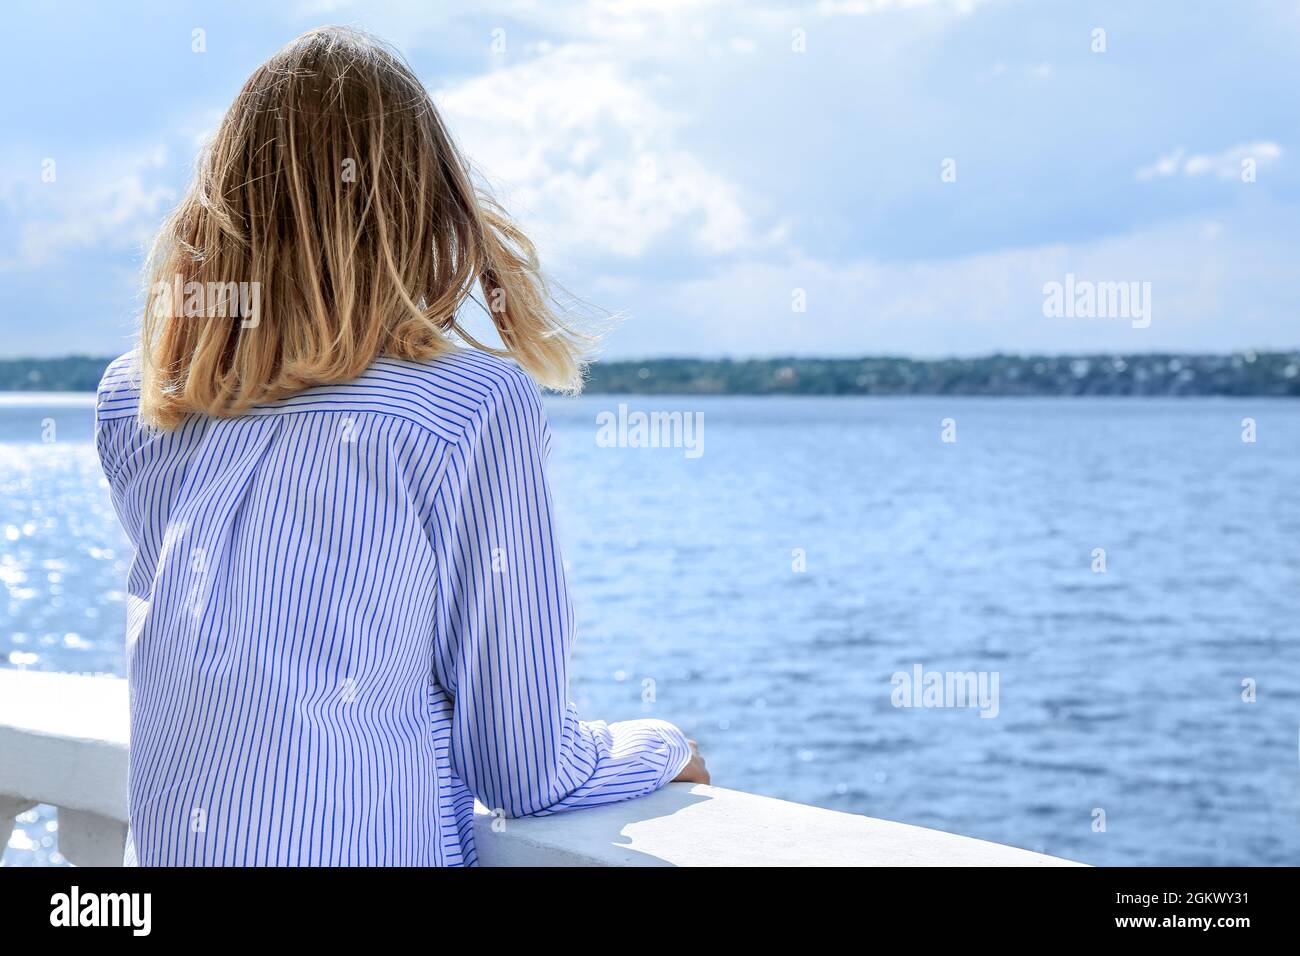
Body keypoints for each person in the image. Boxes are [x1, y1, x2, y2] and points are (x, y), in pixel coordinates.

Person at [94, 25, 707, 867]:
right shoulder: (467, 407)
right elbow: (523, 766)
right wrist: (663, 746)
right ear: (425, 206)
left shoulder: (143, 398)